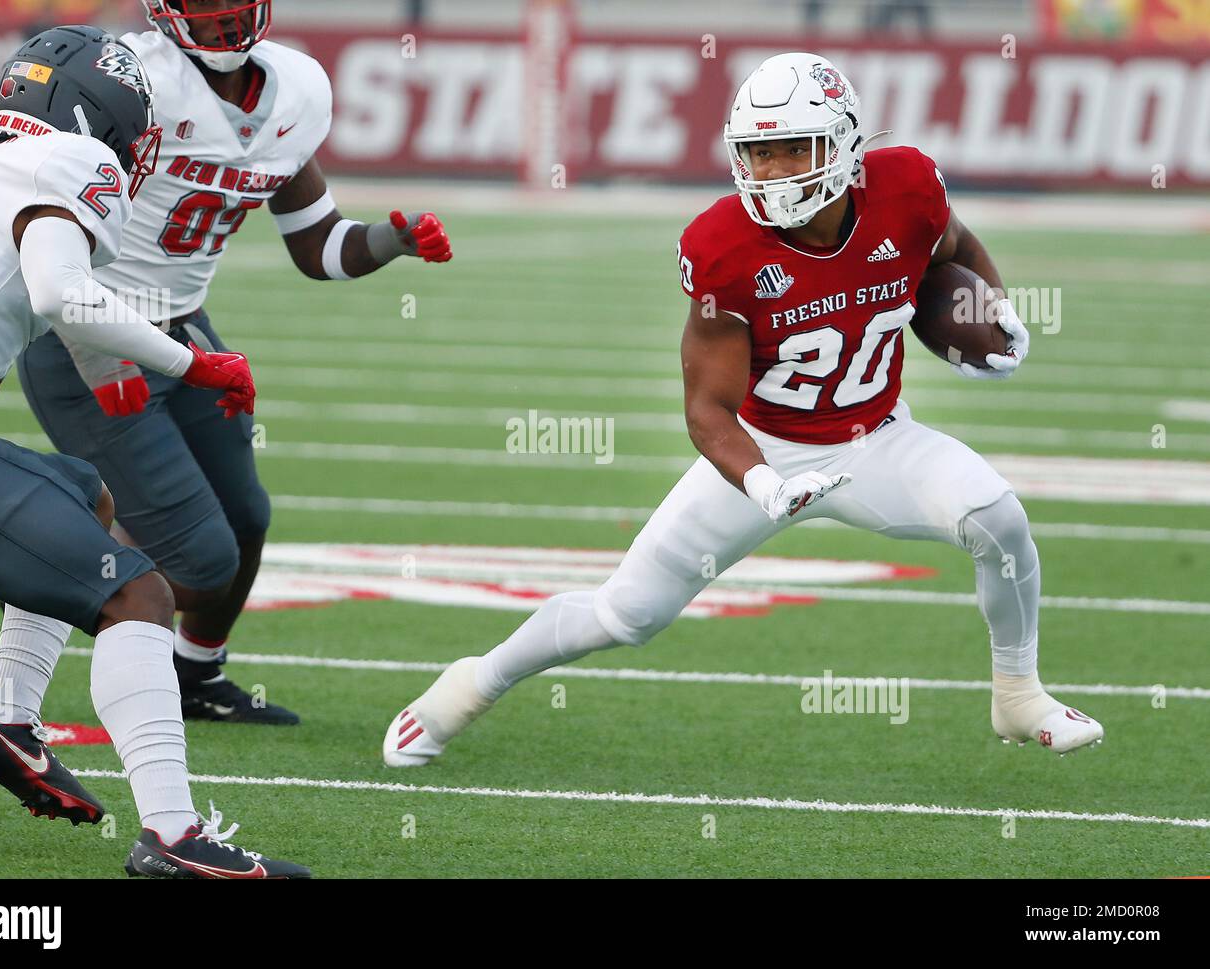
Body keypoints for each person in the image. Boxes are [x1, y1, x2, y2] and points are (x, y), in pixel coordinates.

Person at [381, 52, 1104, 768]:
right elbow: (707, 410)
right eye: (760, 153)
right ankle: (470, 685)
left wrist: (991, 306)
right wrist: (765, 483)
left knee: (1000, 520)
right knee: (624, 615)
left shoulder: (908, 186)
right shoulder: (725, 248)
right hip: (762, 448)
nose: (777, 171)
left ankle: (1018, 692)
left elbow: (952, 242)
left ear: (847, 144)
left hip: (879, 438)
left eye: (796, 149)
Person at [0, 24, 307, 877]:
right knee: (141, 594)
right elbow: (65, 291)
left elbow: (53, 296)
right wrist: (193, 361)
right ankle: (173, 837)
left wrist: (118, 372)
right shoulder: (71, 162)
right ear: (101, 108)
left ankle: (8, 722)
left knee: (84, 488)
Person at [16, 0, 453, 726]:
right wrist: (94, 350)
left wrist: (388, 240)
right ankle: (21, 550)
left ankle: (196, 676)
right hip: (87, 337)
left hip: (184, 330)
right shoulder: (127, 79)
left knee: (245, 517)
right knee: (200, 561)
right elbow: (37, 212)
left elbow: (319, 245)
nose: (223, 18)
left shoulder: (297, 89)